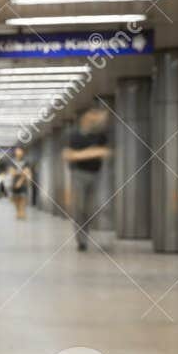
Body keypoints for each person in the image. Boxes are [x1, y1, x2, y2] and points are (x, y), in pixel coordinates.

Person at [63, 108, 111, 251]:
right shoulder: (74, 135)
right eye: (91, 117)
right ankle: (81, 240)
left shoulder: (100, 136)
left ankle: (90, 235)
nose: (94, 120)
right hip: (79, 174)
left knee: (93, 207)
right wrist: (92, 152)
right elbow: (69, 156)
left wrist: (82, 154)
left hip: (97, 174)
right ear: (84, 119)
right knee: (80, 208)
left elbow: (105, 152)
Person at [5, 146, 32, 220]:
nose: (18, 152)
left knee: (23, 197)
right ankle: (18, 211)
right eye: (17, 151)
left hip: (23, 182)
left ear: (22, 152)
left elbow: (26, 172)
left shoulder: (26, 162)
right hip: (13, 182)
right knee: (16, 198)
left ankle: (22, 211)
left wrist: (20, 180)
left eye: (20, 151)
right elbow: (12, 172)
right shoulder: (12, 161)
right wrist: (20, 172)